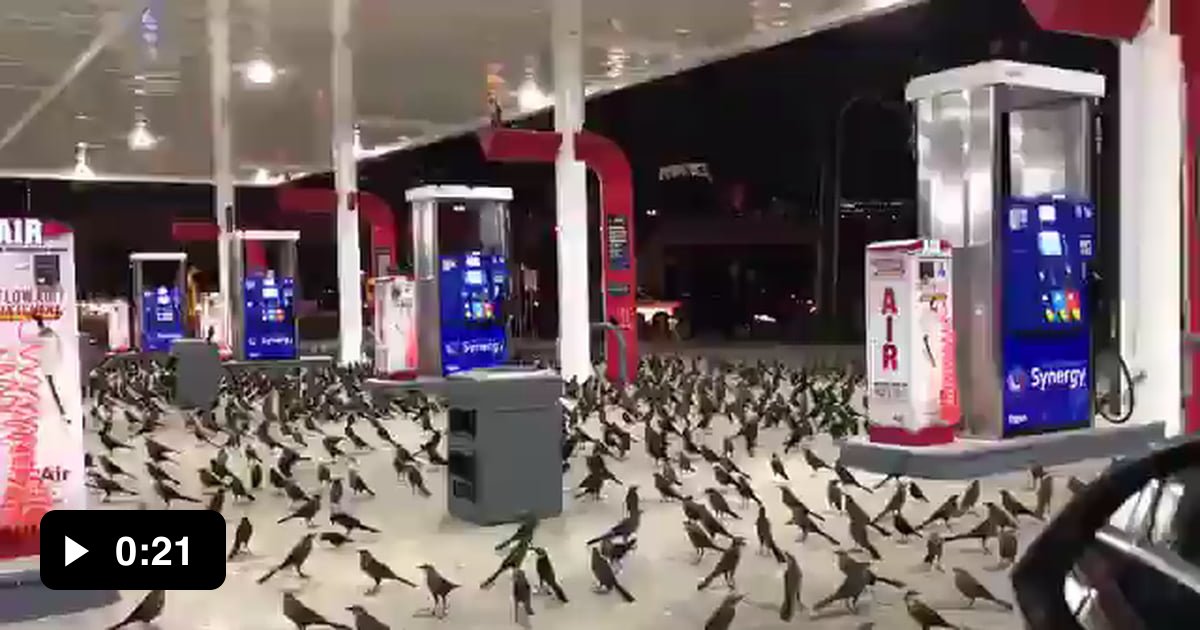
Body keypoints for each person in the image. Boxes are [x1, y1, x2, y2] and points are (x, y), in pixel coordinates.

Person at [31, 314, 66, 420]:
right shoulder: (54, 336)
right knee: (52, 389)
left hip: (46, 367)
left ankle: (61, 411)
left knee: (50, 389)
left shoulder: (43, 338)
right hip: (50, 366)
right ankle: (61, 411)